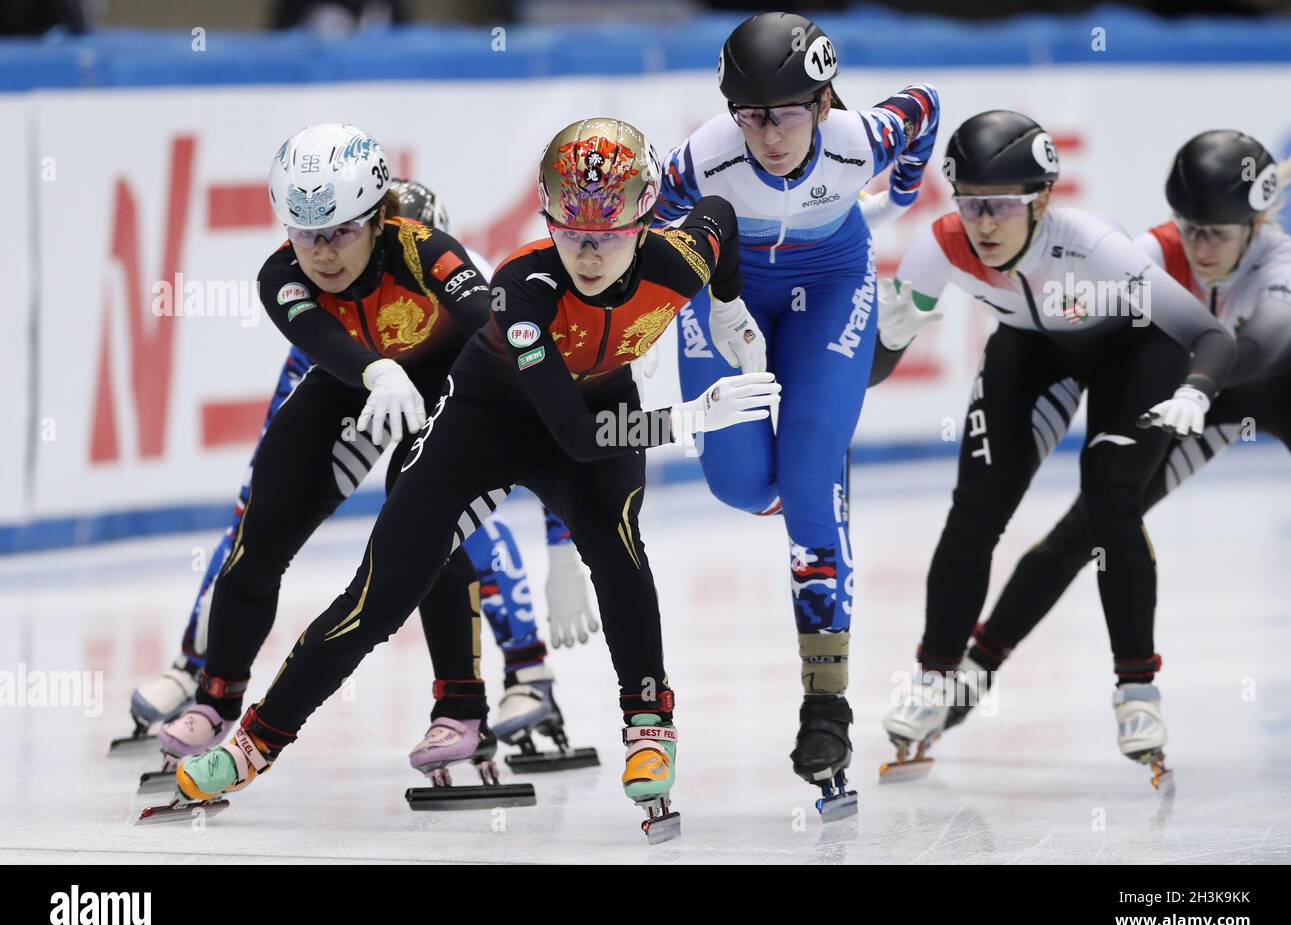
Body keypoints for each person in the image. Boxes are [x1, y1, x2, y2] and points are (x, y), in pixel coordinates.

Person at [168, 117, 780, 842]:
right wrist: (687, 419)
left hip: (599, 406)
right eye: (568, 230)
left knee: (620, 554)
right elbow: (575, 437)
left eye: (608, 235)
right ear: (547, 220)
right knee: (379, 593)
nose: (586, 252)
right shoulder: (523, 285)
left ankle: (648, 723)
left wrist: (730, 303)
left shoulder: (683, 259)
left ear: (646, 222)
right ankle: (255, 740)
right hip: (491, 419)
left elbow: (722, 217)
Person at [122, 177, 599, 769]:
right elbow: (260, 490)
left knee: (428, 522)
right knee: (261, 525)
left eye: (341, 233)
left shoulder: (437, 257)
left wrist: (563, 547)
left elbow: (536, 392)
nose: (323, 252)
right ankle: (214, 691)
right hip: (354, 378)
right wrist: (374, 371)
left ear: (382, 226)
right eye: (306, 234)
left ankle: (468, 703)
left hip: (455, 379)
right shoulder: (287, 275)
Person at [873, 110, 1238, 788]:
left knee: (1110, 496)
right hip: (1033, 349)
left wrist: (1196, 388)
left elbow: (1211, 334)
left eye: (1002, 206)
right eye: (971, 203)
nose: (984, 224)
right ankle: (932, 678)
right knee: (974, 510)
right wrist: (877, 338)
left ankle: (1137, 692)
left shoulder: (1094, 245)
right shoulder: (938, 246)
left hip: (1134, 348)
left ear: (1041, 201)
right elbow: (873, 370)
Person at [653, 10, 940, 813]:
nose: (766, 134)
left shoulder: (858, 139)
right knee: (743, 484)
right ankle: (826, 428)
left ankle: (827, 707)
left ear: (820, 104)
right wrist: (701, 296)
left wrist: (903, 195)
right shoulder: (704, 156)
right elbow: (640, 228)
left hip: (832, 285)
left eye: (783, 113)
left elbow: (924, 107)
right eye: (750, 114)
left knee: (809, 489)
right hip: (728, 295)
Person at [954, 131, 1291, 742]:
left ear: (1256, 222)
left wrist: (1198, 381)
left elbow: (1265, 344)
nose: (1200, 246)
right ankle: (973, 672)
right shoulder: (1151, 252)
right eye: (1189, 227)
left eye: (1217, 232)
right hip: (1193, 392)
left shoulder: (1282, 264)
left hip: (1276, 383)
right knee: (1095, 520)